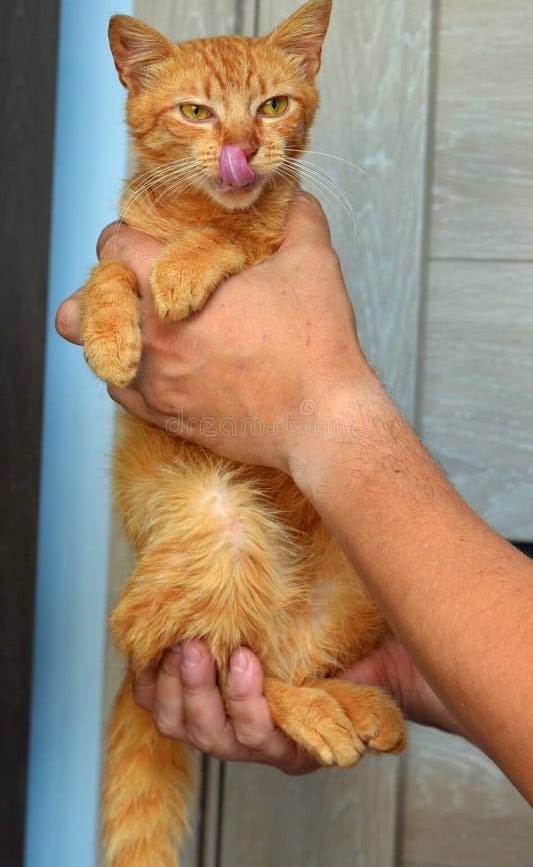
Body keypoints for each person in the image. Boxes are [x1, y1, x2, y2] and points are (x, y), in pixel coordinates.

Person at [56, 193, 533, 801]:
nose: (241, 144)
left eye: (273, 106)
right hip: (218, 517)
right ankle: (280, 679)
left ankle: (281, 680)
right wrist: (409, 661)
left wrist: (326, 410)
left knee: (298, 549)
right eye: (199, 112)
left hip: (278, 549)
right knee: (225, 526)